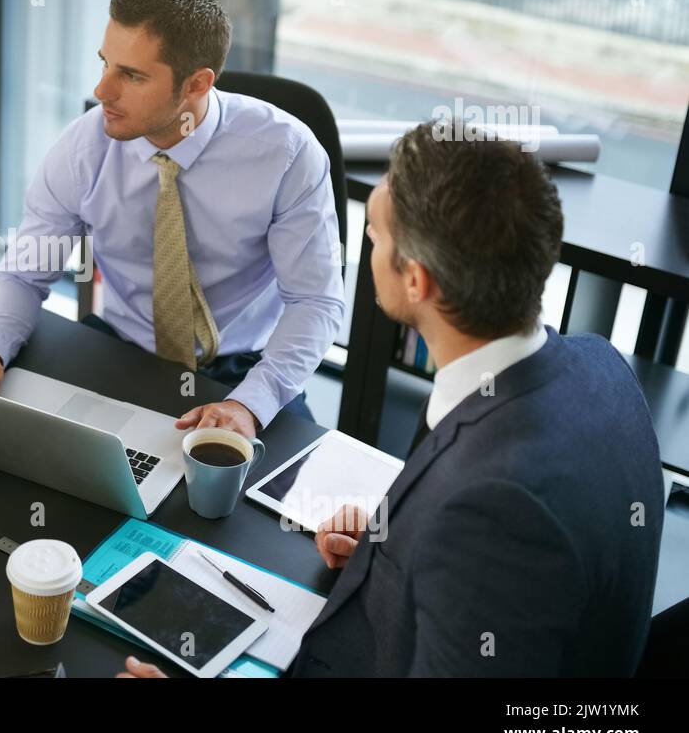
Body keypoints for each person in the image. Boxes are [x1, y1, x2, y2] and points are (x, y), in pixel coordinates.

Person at [120, 121, 664, 677]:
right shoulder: (604, 367)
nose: (367, 248)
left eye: (375, 236)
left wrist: (444, 551)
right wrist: (401, 551)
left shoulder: (490, 516)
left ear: (417, 282)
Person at [0, 0, 344, 441]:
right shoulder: (83, 147)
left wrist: (248, 403)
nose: (102, 91)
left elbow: (315, 301)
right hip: (122, 353)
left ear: (197, 83)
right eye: (105, 64)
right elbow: (23, 273)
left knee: (277, 507)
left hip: (247, 369)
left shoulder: (287, 154)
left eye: (131, 75)